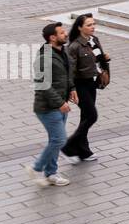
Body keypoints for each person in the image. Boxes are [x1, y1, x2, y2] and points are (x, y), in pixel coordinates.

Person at [28, 22, 77, 187]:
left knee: (55, 140)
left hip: (61, 104)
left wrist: (72, 89)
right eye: (62, 33)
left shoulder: (62, 52)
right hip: (48, 108)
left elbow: (67, 75)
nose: (66, 34)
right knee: (59, 140)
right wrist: (59, 103)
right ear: (52, 37)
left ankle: (51, 174)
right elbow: (42, 84)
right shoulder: (44, 58)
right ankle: (36, 168)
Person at [61, 13, 109, 163]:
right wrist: (71, 89)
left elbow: (98, 57)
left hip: (92, 83)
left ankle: (83, 151)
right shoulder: (74, 46)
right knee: (91, 116)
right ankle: (67, 146)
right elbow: (69, 70)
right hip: (79, 85)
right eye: (89, 25)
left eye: (93, 24)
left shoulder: (94, 40)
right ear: (80, 27)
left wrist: (104, 58)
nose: (92, 27)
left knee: (85, 117)